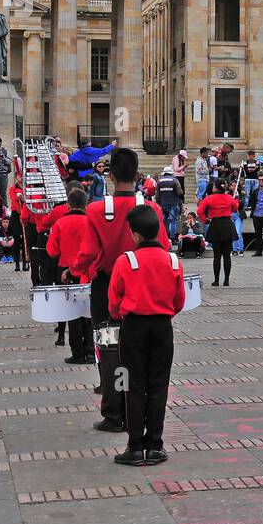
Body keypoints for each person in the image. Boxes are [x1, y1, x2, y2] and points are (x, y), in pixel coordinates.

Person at [73, 147, 169, 435]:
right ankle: (135, 410)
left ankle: (114, 412)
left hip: (106, 289)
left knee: (110, 351)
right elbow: (163, 248)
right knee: (139, 350)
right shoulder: (151, 209)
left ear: (110, 175)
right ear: (138, 175)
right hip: (142, 286)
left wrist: (73, 269)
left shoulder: (96, 209)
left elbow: (89, 253)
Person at [107, 204, 185, 466]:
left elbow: (113, 303)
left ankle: (134, 446)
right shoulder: (173, 261)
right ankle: (155, 445)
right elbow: (179, 301)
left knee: (134, 386)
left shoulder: (126, 261)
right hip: (162, 327)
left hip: (134, 328)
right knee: (159, 385)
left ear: (136, 235)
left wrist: (124, 314)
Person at [48, 187, 96, 363]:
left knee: (72, 314)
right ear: (86, 205)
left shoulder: (60, 224)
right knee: (89, 313)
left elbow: (52, 251)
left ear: (68, 205)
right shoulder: (92, 222)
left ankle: (77, 352)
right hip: (88, 271)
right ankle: (91, 351)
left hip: (66, 272)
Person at [197, 178, 240, 287]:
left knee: (217, 256)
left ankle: (216, 280)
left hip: (215, 225)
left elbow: (199, 211)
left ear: (215, 188)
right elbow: (235, 208)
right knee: (227, 255)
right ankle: (226, 280)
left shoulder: (209, 198)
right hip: (227, 225)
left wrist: (205, 220)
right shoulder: (230, 198)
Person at [156, 167, 184, 244]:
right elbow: (180, 192)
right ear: (171, 173)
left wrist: (158, 204)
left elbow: (157, 195)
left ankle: (163, 238)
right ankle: (172, 238)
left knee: (163, 221)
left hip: (163, 204)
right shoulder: (175, 180)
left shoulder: (159, 181)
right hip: (173, 203)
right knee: (173, 221)